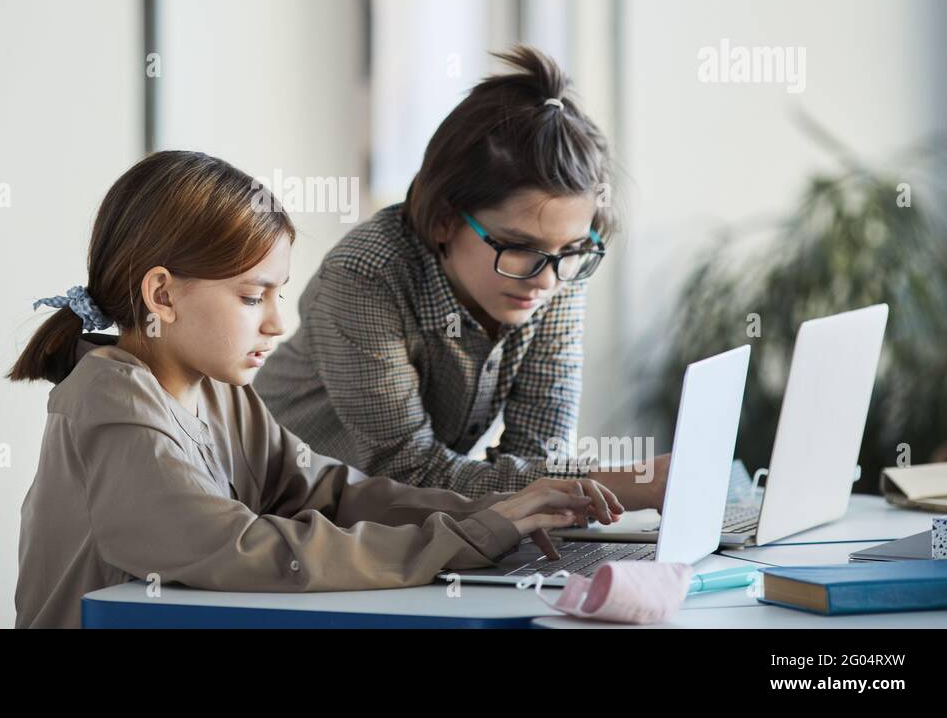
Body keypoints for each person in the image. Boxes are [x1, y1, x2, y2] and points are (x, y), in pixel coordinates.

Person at [8, 149, 621, 628]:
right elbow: (239, 549)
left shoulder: (220, 395)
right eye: (252, 297)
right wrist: (466, 539)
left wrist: (490, 513)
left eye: (277, 294)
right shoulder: (112, 405)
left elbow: (328, 494)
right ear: (162, 294)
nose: (277, 323)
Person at [255, 45, 669, 507]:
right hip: (281, 508)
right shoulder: (366, 276)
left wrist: (548, 510)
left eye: (571, 250)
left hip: (399, 524)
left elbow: (539, 453)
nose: (547, 282)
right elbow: (408, 473)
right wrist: (628, 484)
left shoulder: (555, 270)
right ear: (444, 221)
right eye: (518, 247)